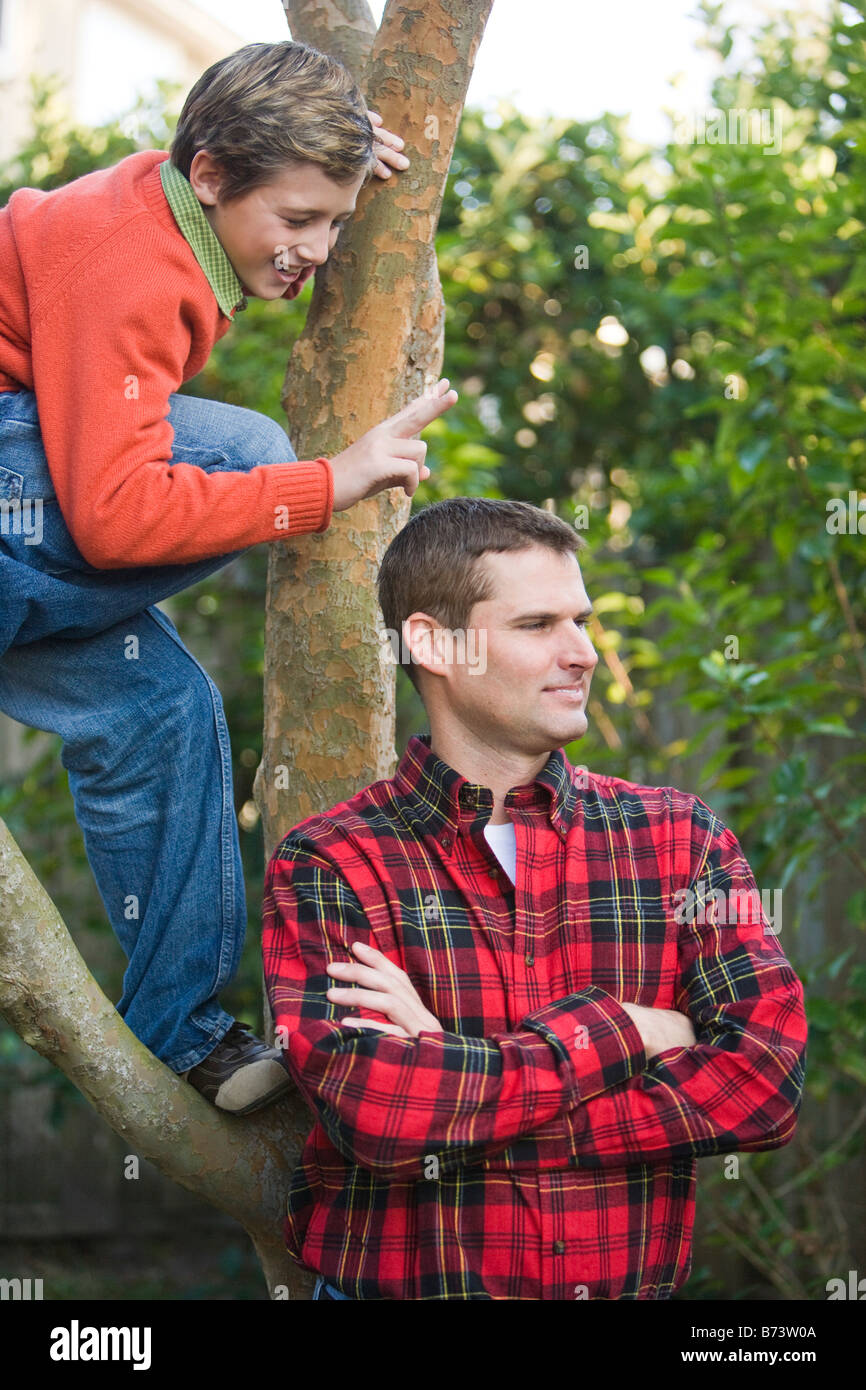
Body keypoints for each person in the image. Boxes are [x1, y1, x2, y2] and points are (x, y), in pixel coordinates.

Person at [0, 40, 457, 1115]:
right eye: (297, 220)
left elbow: (102, 514)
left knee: (165, 707)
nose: (314, 248)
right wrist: (327, 482)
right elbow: (110, 522)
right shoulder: (127, 265)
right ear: (209, 176)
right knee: (252, 454)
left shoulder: (181, 205)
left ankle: (186, 1034)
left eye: (334, 222)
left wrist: (330, 153)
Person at [262, 496, 807, 1300]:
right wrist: (625, 1032)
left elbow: (764, 1086)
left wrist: (454, 1075)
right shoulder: (333, 862)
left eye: (581, 620)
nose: (583, 652)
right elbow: (376, 1115)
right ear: (432, 642)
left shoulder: (678, 840)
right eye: (537, 625)